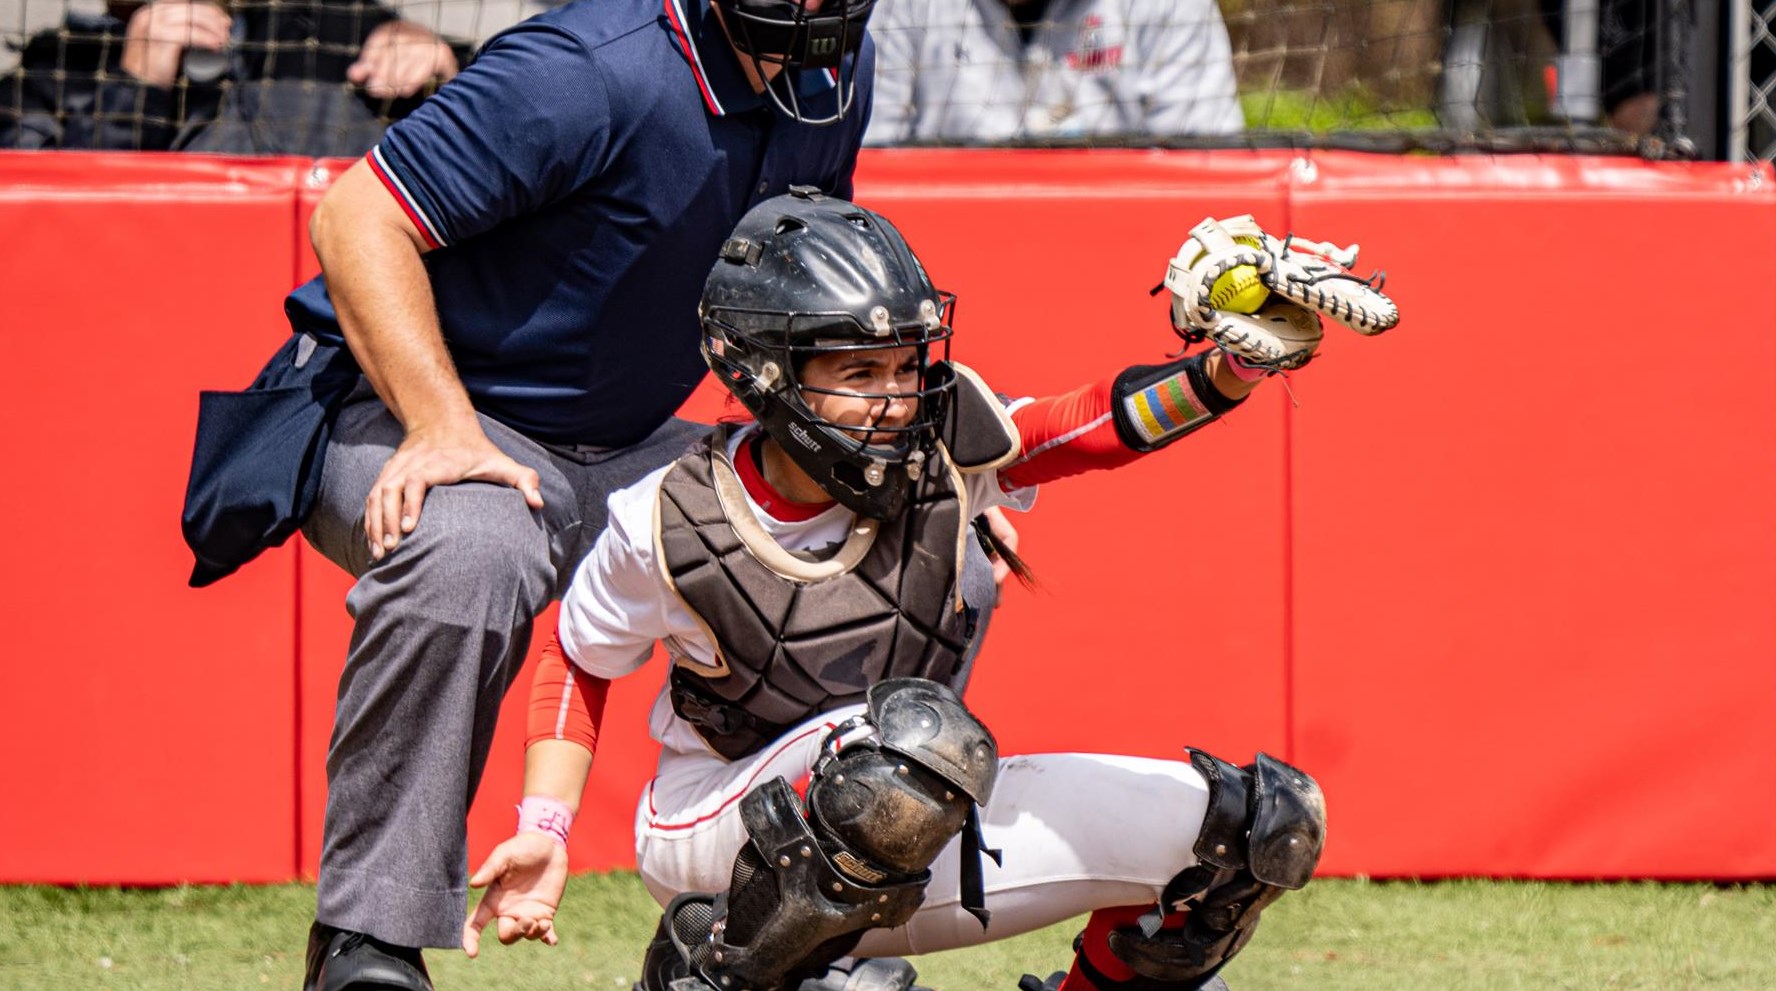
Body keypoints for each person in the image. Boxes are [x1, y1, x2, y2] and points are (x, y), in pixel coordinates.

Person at [459, 189, 1401, 991]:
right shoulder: (669, 515)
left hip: (915, 803)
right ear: (766, 377)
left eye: (907, 364)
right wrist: (545, 829)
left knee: (1254, 829)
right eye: (857, 370)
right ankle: (708, 970)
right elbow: (574, 658)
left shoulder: (943, 445)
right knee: (900, 752)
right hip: (723, 832)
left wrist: (1229, 369)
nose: (895, 395)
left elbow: (1084, 429)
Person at [175, 2, 916, 990]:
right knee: (471, 544)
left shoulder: (838, 72)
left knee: (845, 515)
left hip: (626, 444)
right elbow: (355, 217)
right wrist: (443, 424)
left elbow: (794, 282)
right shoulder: (588, 68)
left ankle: (774, 935)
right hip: (408, 406)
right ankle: (367, 943)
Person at [0, 0, 467, 152]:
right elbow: (44, 234)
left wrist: (443, 74)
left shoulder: (340, 31)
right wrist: (134, 89)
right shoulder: (56, 64)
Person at [863, 0, 1243, 146]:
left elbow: (1210, 171)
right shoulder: (902, 6)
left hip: (1120, 243)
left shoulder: (1170, 7)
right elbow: (869, 162)